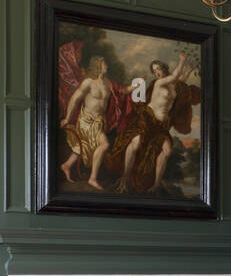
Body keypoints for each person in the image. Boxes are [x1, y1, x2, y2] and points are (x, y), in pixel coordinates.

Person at [108, 54, 200, 194]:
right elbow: (175, 76)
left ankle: (156, 184)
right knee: (136, 143)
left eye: (158, 69)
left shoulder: (173, 85)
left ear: (164, 69)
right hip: (148, 119)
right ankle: (124, 179)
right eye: (154, 70)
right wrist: (181, 60)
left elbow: (180, 80)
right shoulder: (158, 83)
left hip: (161, 125)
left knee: (167, 151)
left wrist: (188, 70)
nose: (156, 72)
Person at [60, 54, 113, 188]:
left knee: (84, 147)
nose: (106, 65)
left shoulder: (107, 83)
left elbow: (122, 91)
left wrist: (134, 87)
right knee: (104, 144)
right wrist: (67, 118)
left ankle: (66, 165)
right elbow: (74, 99)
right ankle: (92, 178)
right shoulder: (88, 82)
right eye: (104, 63)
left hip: (99, 121)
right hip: (86, 120)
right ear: (98, 65)